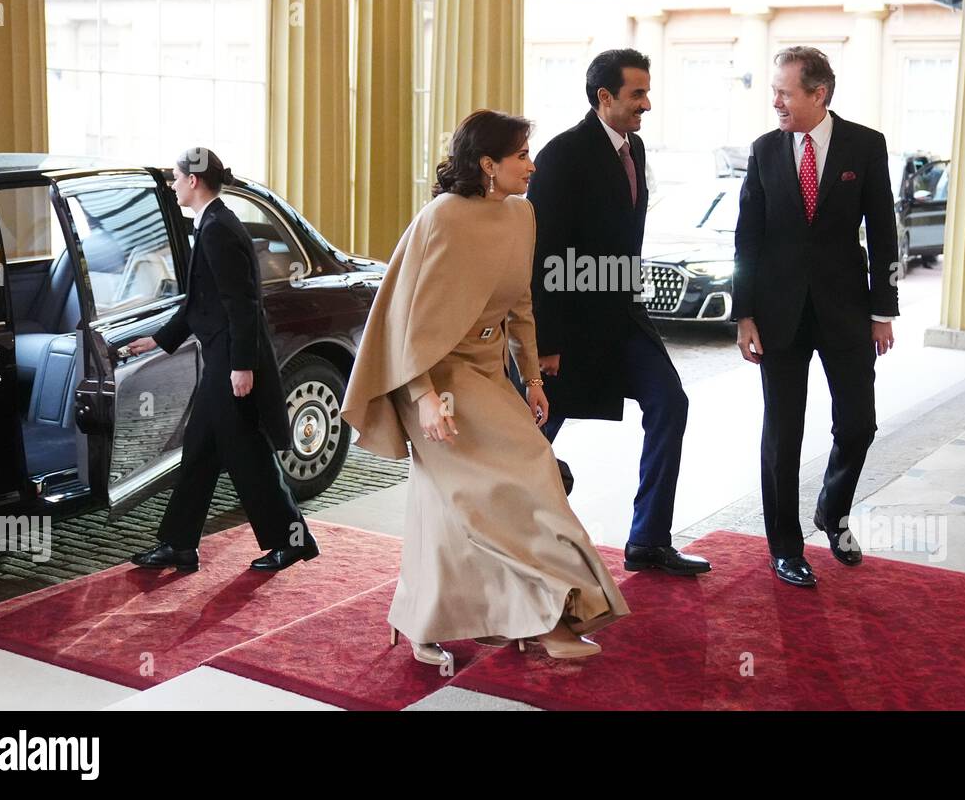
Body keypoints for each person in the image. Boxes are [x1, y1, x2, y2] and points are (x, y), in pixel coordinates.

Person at [341, 109, 629, 668]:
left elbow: (521, 304)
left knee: (452, 502)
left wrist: (533, 379)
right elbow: (408, 319)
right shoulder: (443, 217)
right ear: (487, 164)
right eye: (522, 154)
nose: (533, 164)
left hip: (488, 371)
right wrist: (423, 397)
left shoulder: (521, 215)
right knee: (525, 479)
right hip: (434, 374)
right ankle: (552, 614)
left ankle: (435, 617)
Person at [526, 49, 710, 577]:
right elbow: (545, 255)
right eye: (637, 94)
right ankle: (496, 540)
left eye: (647, 93)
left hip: (625, 316)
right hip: (571, 325)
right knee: (533, 432)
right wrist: (546, 345)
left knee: (670, 403)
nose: (646, 104)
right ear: (604, 97)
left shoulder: (636, 148)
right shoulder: (562, 155)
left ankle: (649, 540)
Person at [733, 47, 900, 588]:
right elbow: (747, 237)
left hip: (847, 310)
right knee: (782, 433)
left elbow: (882, 233)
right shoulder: (763, 150)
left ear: (818, 94)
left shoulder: (865, 145)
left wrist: (882, 311)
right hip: (777, 314)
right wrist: (744, 314)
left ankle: (832, 508)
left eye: (785, 92)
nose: (776, 102)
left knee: (858, 423)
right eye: (774, 92)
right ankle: (785, 546)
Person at [127, 147, 318, 573]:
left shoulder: (216, 229)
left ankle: (293, 541)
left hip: (229, 363)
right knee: (198, 453)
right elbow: (202, 303)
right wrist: (159, 341)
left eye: (176, 178)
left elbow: (242, 304)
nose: (174, 185)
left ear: (193, 181)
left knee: (248, 455)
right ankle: (178, 545)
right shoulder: (212, 222)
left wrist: (241, 367)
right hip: (222, 359)